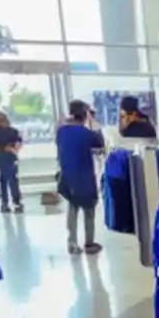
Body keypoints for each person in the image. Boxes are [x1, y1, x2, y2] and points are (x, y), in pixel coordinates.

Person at [56, 100, 105, 255]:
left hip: (67, 176)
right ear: (85, 114)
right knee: (89, 211)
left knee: (72, 209)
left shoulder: (61, 132)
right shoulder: (86, 133)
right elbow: (100, 146)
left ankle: (72, 242)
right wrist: (93, 123)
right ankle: (89, 243)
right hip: (84, 176)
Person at [0, 111, 23, 213]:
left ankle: (5, 204)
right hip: (10, 156)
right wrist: (14, 149)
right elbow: (19, 141)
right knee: (13, 180)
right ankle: (16, 202)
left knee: (3, 180)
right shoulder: (12, 131)